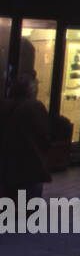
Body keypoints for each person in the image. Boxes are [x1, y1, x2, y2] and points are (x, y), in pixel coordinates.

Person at [0, 73, 53, 201]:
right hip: (29, 158)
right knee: (31, 197)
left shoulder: (4, 105)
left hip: (7, 159)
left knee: (8, 195)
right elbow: (43, 133)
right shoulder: (35, 106)